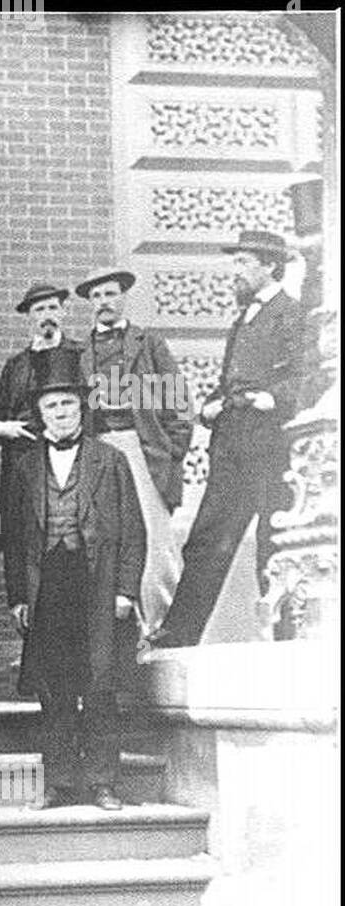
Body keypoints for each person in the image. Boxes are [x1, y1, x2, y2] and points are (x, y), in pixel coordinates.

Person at [149, 231, 308, 648]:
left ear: (270, 266)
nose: (235, 272)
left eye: (243, 263)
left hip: (270, 445)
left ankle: (288, 634)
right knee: (206, 539)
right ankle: (178, 633)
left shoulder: (294, 314)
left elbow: (305, 378)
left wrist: (269, 398)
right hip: (231, 443)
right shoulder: (242, 318)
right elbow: (227, 382)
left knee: (274, 542)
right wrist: (209, 406)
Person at [4, 355, 145, 810]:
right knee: (55, 689)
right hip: (47, 586)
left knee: (100, 687)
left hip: (98, 585)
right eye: (51, 406)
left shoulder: (111, 460)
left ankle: (103, 781)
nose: (60, 413)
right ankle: (59, 782)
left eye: (67, 403)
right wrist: (18, 598)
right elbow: (13, 536)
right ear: (39, 414)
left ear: (81, 408)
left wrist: (126, 590)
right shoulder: (25, 467)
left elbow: (133, 530)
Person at [75, 267, 190, 636]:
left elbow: (178, 402)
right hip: (100, 447)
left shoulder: (149, 345)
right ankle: (117, 632)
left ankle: (161, 627)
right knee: (106, 534)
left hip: (143, 448)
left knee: (156, 540)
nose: (104, 302)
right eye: (96, 297)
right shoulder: (82, 354)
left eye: (110, 294)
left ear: (123, 297)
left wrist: (170, 453)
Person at [0, 282, 84, 557]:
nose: (46, 314)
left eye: (53, 307)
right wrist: (3, 427)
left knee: (67, 538)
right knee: (21, 542)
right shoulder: (15, 365)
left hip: (68, 460)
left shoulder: (80, 355)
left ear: (63, 312)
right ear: (30, 317)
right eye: (39, 309)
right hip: (22, 462)